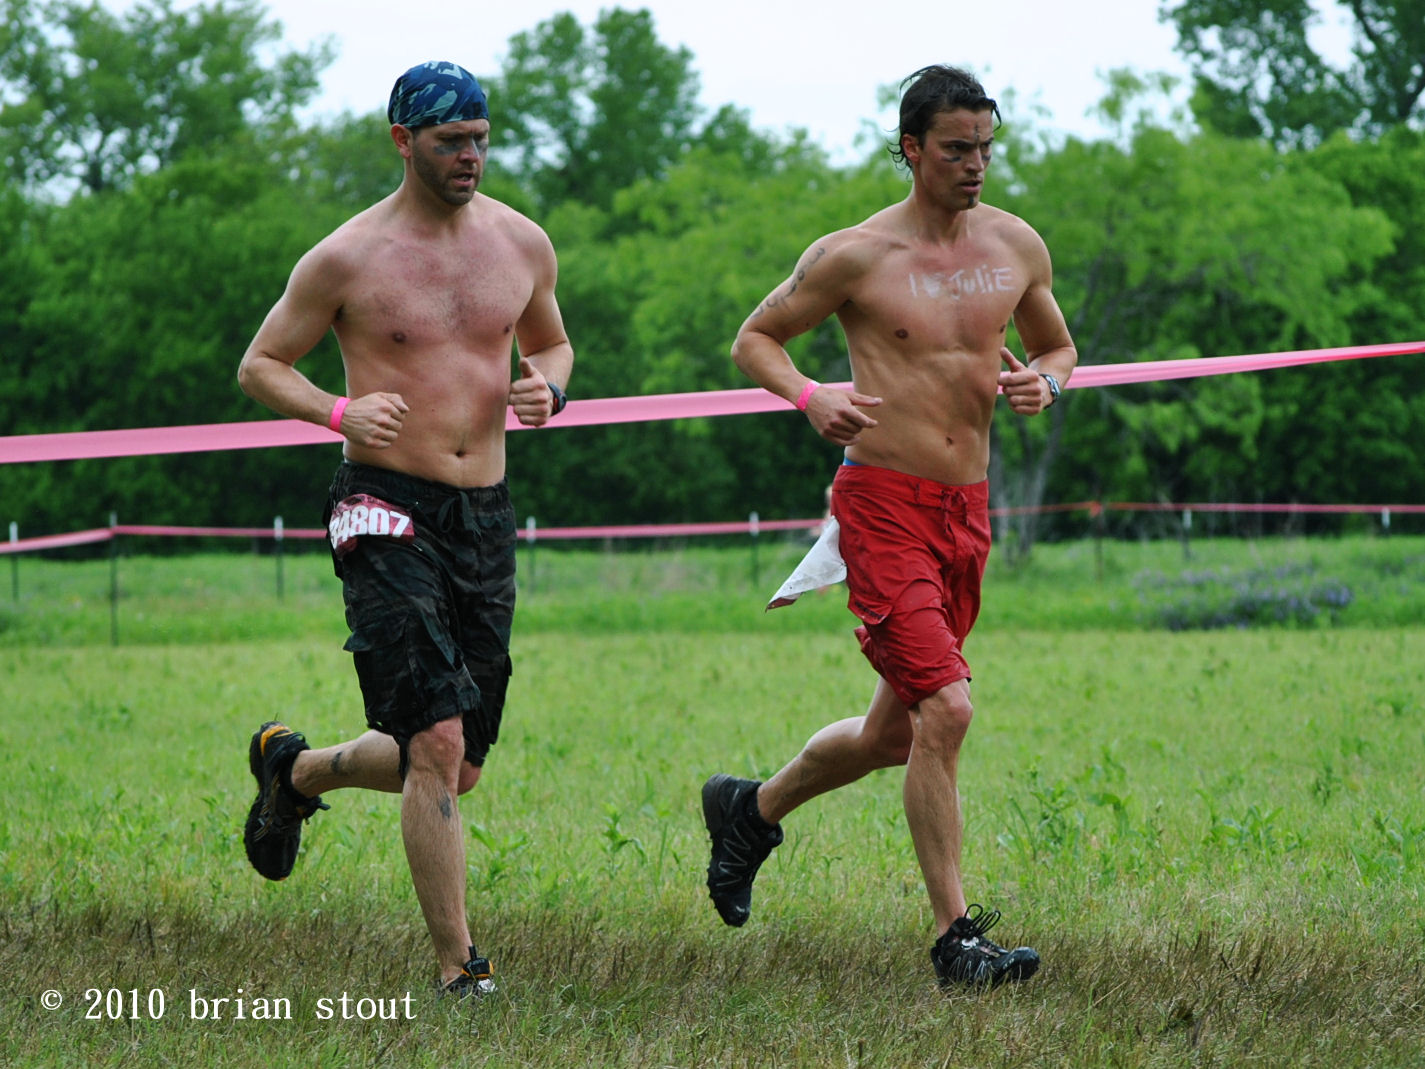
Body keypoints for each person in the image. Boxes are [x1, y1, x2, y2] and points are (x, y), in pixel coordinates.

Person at [702, 64, 1076, 989]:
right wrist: (807, 394)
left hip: (966, 512)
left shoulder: (1015, 244)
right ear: (911, 149)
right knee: (945, 709)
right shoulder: (854, 255)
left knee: (897, 735)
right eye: (956, 149)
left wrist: (1046, 380)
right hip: (881, 507)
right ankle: (957, 942)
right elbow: (756, 337)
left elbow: (1057, 346)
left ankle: (751, 808)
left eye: (986, 146)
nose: (975, 165)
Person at [235, 60, 574, 997]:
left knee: (455, 762)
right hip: (382, 503)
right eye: (448, 141)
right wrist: (337, 413)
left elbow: (550, 339)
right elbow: (261, 364)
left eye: (479, 139)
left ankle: (295, 770)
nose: (469, 156)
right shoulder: (346, 257)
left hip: (485, 514)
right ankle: (461, 968)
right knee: (433, 742)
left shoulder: (521, 242)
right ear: (402, 140)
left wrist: (550, 385)